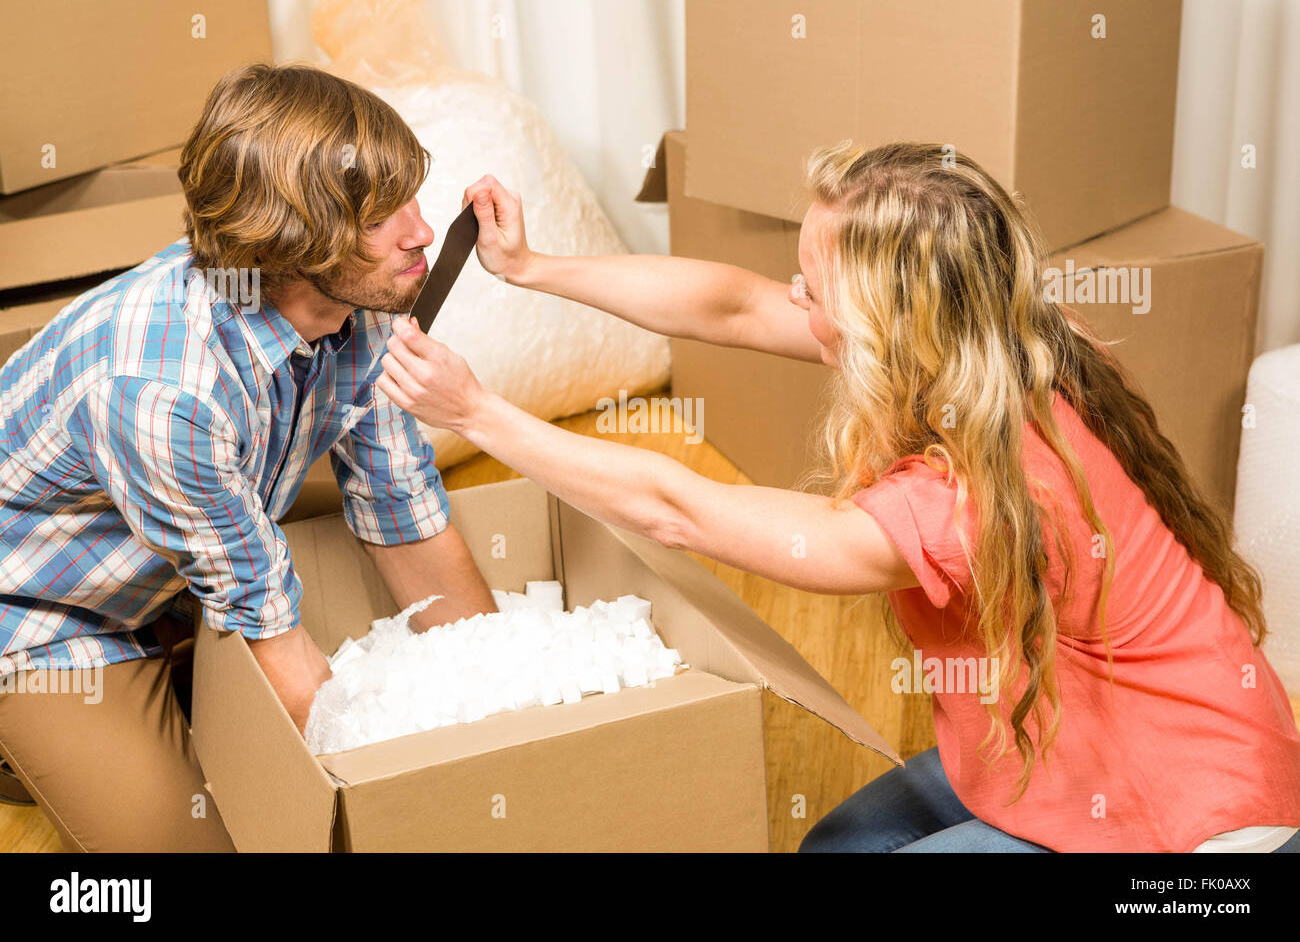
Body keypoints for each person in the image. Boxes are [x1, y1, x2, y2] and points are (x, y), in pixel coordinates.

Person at [374, 148, 1300, 853]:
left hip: (1202, 825)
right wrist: (533, 266)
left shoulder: (968, 500)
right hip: (1061, 748)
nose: (791, 298)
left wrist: (479, 415)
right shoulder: (997, 337)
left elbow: (679, 512)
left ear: (881, 326)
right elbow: (733, 305)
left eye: (812, 291)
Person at [0, 63, 497, 852]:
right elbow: (276, 636)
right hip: (45, 613)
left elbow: (404, 514)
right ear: (293, 239)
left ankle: (177, 656)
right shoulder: (165, 388)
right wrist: (410, 809)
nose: (423, 233)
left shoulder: (357, 306)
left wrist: (510, 722)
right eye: (382, 216)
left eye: (411, 196)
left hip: (179, 561)